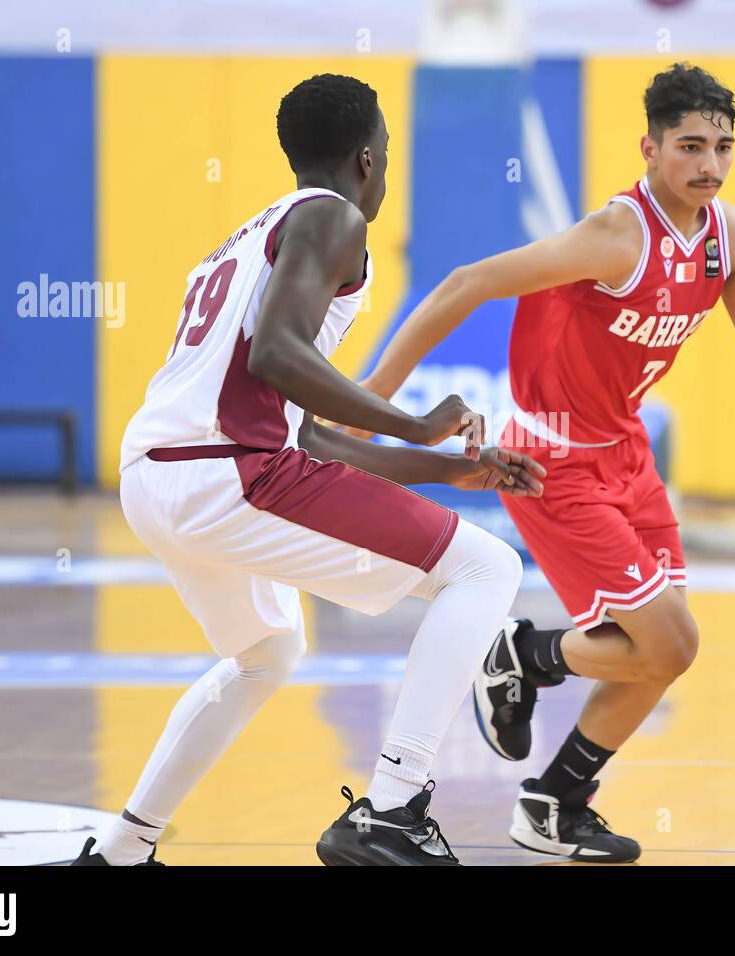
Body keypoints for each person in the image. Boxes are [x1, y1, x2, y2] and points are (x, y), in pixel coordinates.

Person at [358, 63, 735, 862]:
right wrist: (372, 402)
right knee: (673, 643)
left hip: (626, 453)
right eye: (690, 146)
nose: (709, 165)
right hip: (553, 463)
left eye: (722, 147)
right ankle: (520, 654)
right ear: (650, 149)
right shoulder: (615, 236)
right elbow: (467, 282)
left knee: (654, 659)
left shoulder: (728, 236)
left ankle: (554, 803)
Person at [72, 72, 545, 868]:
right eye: (388, 154)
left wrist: (438, 465)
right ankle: (393, 809)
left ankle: (122, 847)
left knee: (268, 654)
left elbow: (307, 431)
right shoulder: (336, 218)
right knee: (486, 569)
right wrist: (416, 419)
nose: (387, 171)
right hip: (229, 474)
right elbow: (278, 356)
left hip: (158, 474)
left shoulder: (250, 235)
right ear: (367, 159)